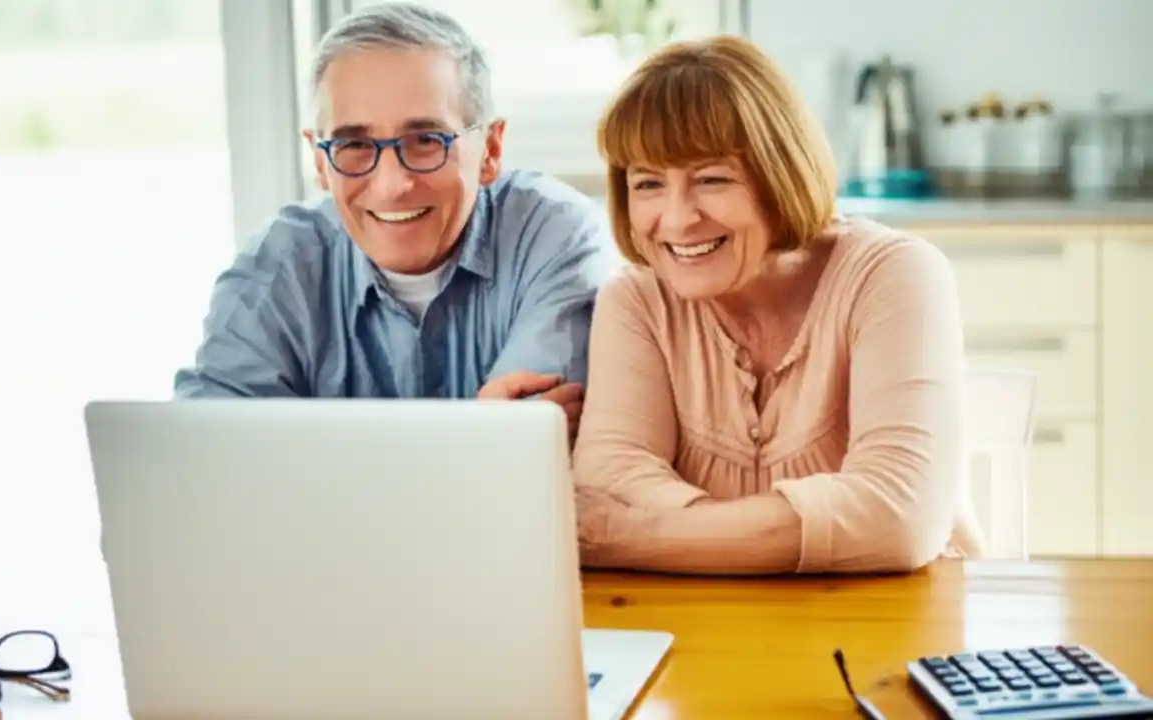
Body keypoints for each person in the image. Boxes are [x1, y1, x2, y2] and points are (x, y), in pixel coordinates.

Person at [571, 35, 984, 575]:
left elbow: (897, 516)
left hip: (900, 621)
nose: (675, 220)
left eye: (711, 179)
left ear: (779, 173)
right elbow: (609, 482)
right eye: (647, 183)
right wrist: (774, 534)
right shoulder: (637, 299)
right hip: (711, 624)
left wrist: (631, 536)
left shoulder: (894, 274)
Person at [174, 2, 613, 439]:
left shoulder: (556, 238)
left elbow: (531, 446)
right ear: (321, 162)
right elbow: (208, 458)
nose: (391, 185)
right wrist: (478, 436)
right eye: (354, 145)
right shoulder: (277, 267)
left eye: (425, 140)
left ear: (490, 150)